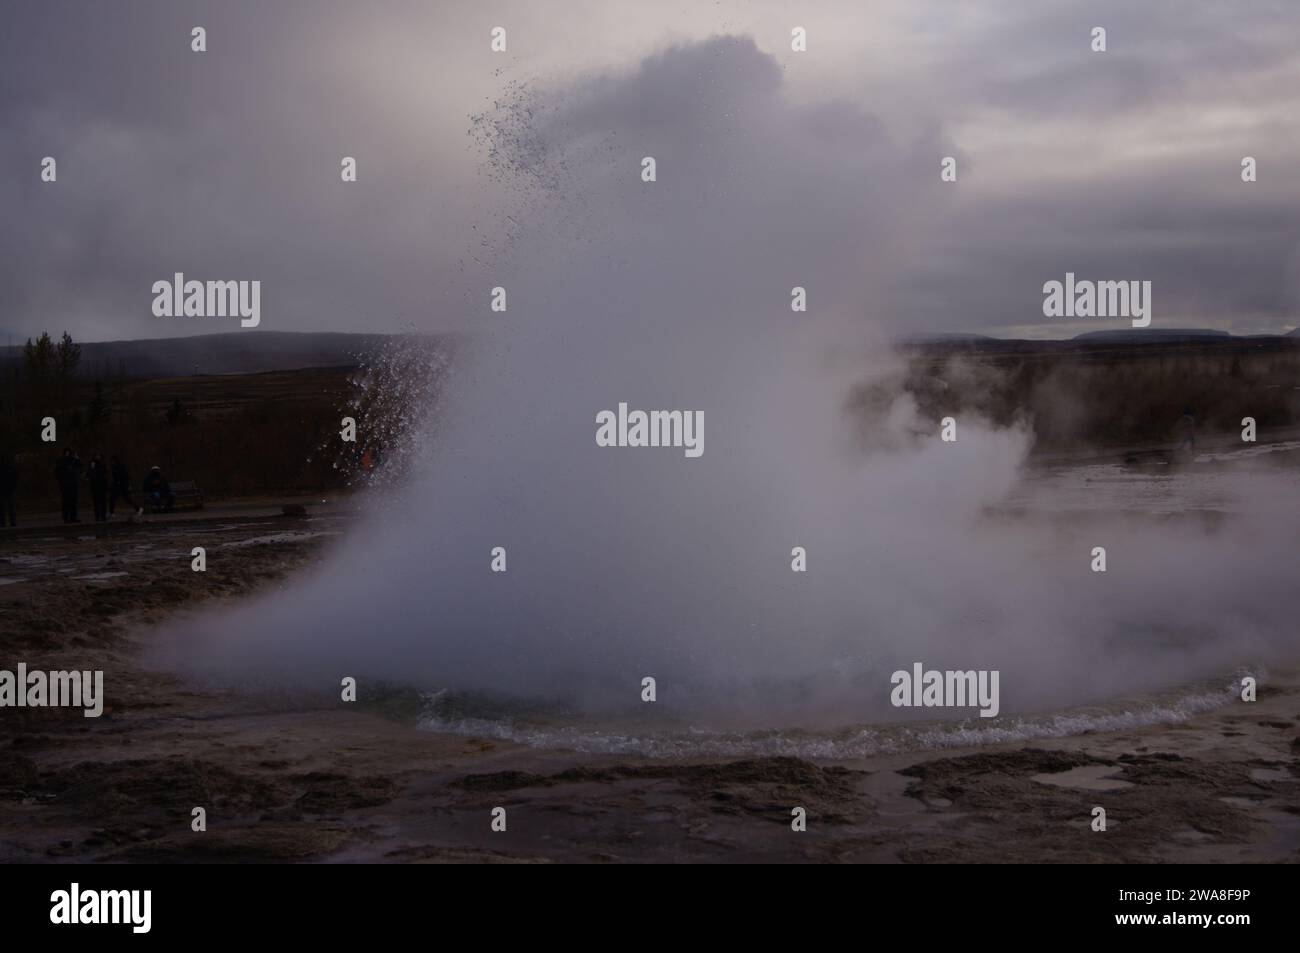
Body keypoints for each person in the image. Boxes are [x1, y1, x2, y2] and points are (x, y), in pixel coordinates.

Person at [54, 447, 82, 523]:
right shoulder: (61, 461)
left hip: (73, 484)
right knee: (66, 502)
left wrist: (77, 458)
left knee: (73, 501)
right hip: (65, 485)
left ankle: (73, 517)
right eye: (66, 453)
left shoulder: (73, 460)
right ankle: (66, 518)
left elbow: (80, 465)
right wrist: (61, 481)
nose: (68, 454)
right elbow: (57, 472)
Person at [87, 452, 109, 523]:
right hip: (96, 485)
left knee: (102, 502)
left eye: (99, 456)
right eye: (97, 456)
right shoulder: (93, 464)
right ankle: (98, 516)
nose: (98, 457)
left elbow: (106, 474)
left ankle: (103, 516)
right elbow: (90, 473)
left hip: (101, 485)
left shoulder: (103, 464)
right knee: (97, 502)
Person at [0, 451, 16, 528]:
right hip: (9, 489)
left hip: (4, 489)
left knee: (3, 508)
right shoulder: (10, 467)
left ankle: (3, 523)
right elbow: (14, 478)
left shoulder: (8, 468)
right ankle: (12, 522)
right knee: (10, 507)